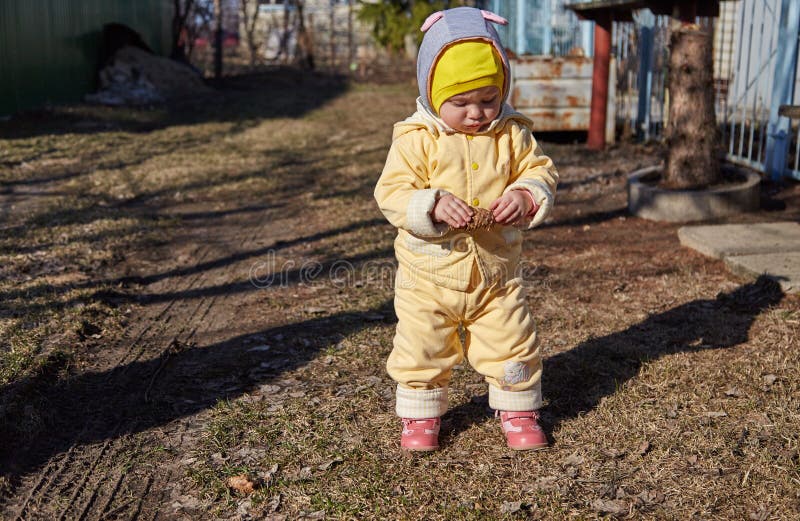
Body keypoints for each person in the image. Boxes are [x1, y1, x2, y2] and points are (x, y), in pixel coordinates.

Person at [374, 7, 559, 451]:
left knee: (512, 340)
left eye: (488, 99)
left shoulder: (511, 135)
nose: (476, 113)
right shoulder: (418, 138)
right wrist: (431, 204)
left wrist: (526, 195)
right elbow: (392, 192)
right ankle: (420, 416)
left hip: (496, 272)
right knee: (422, 346)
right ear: (433, 94)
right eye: (460, 103)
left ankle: (518, 407)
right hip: (428, 276)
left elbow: (539, 171)